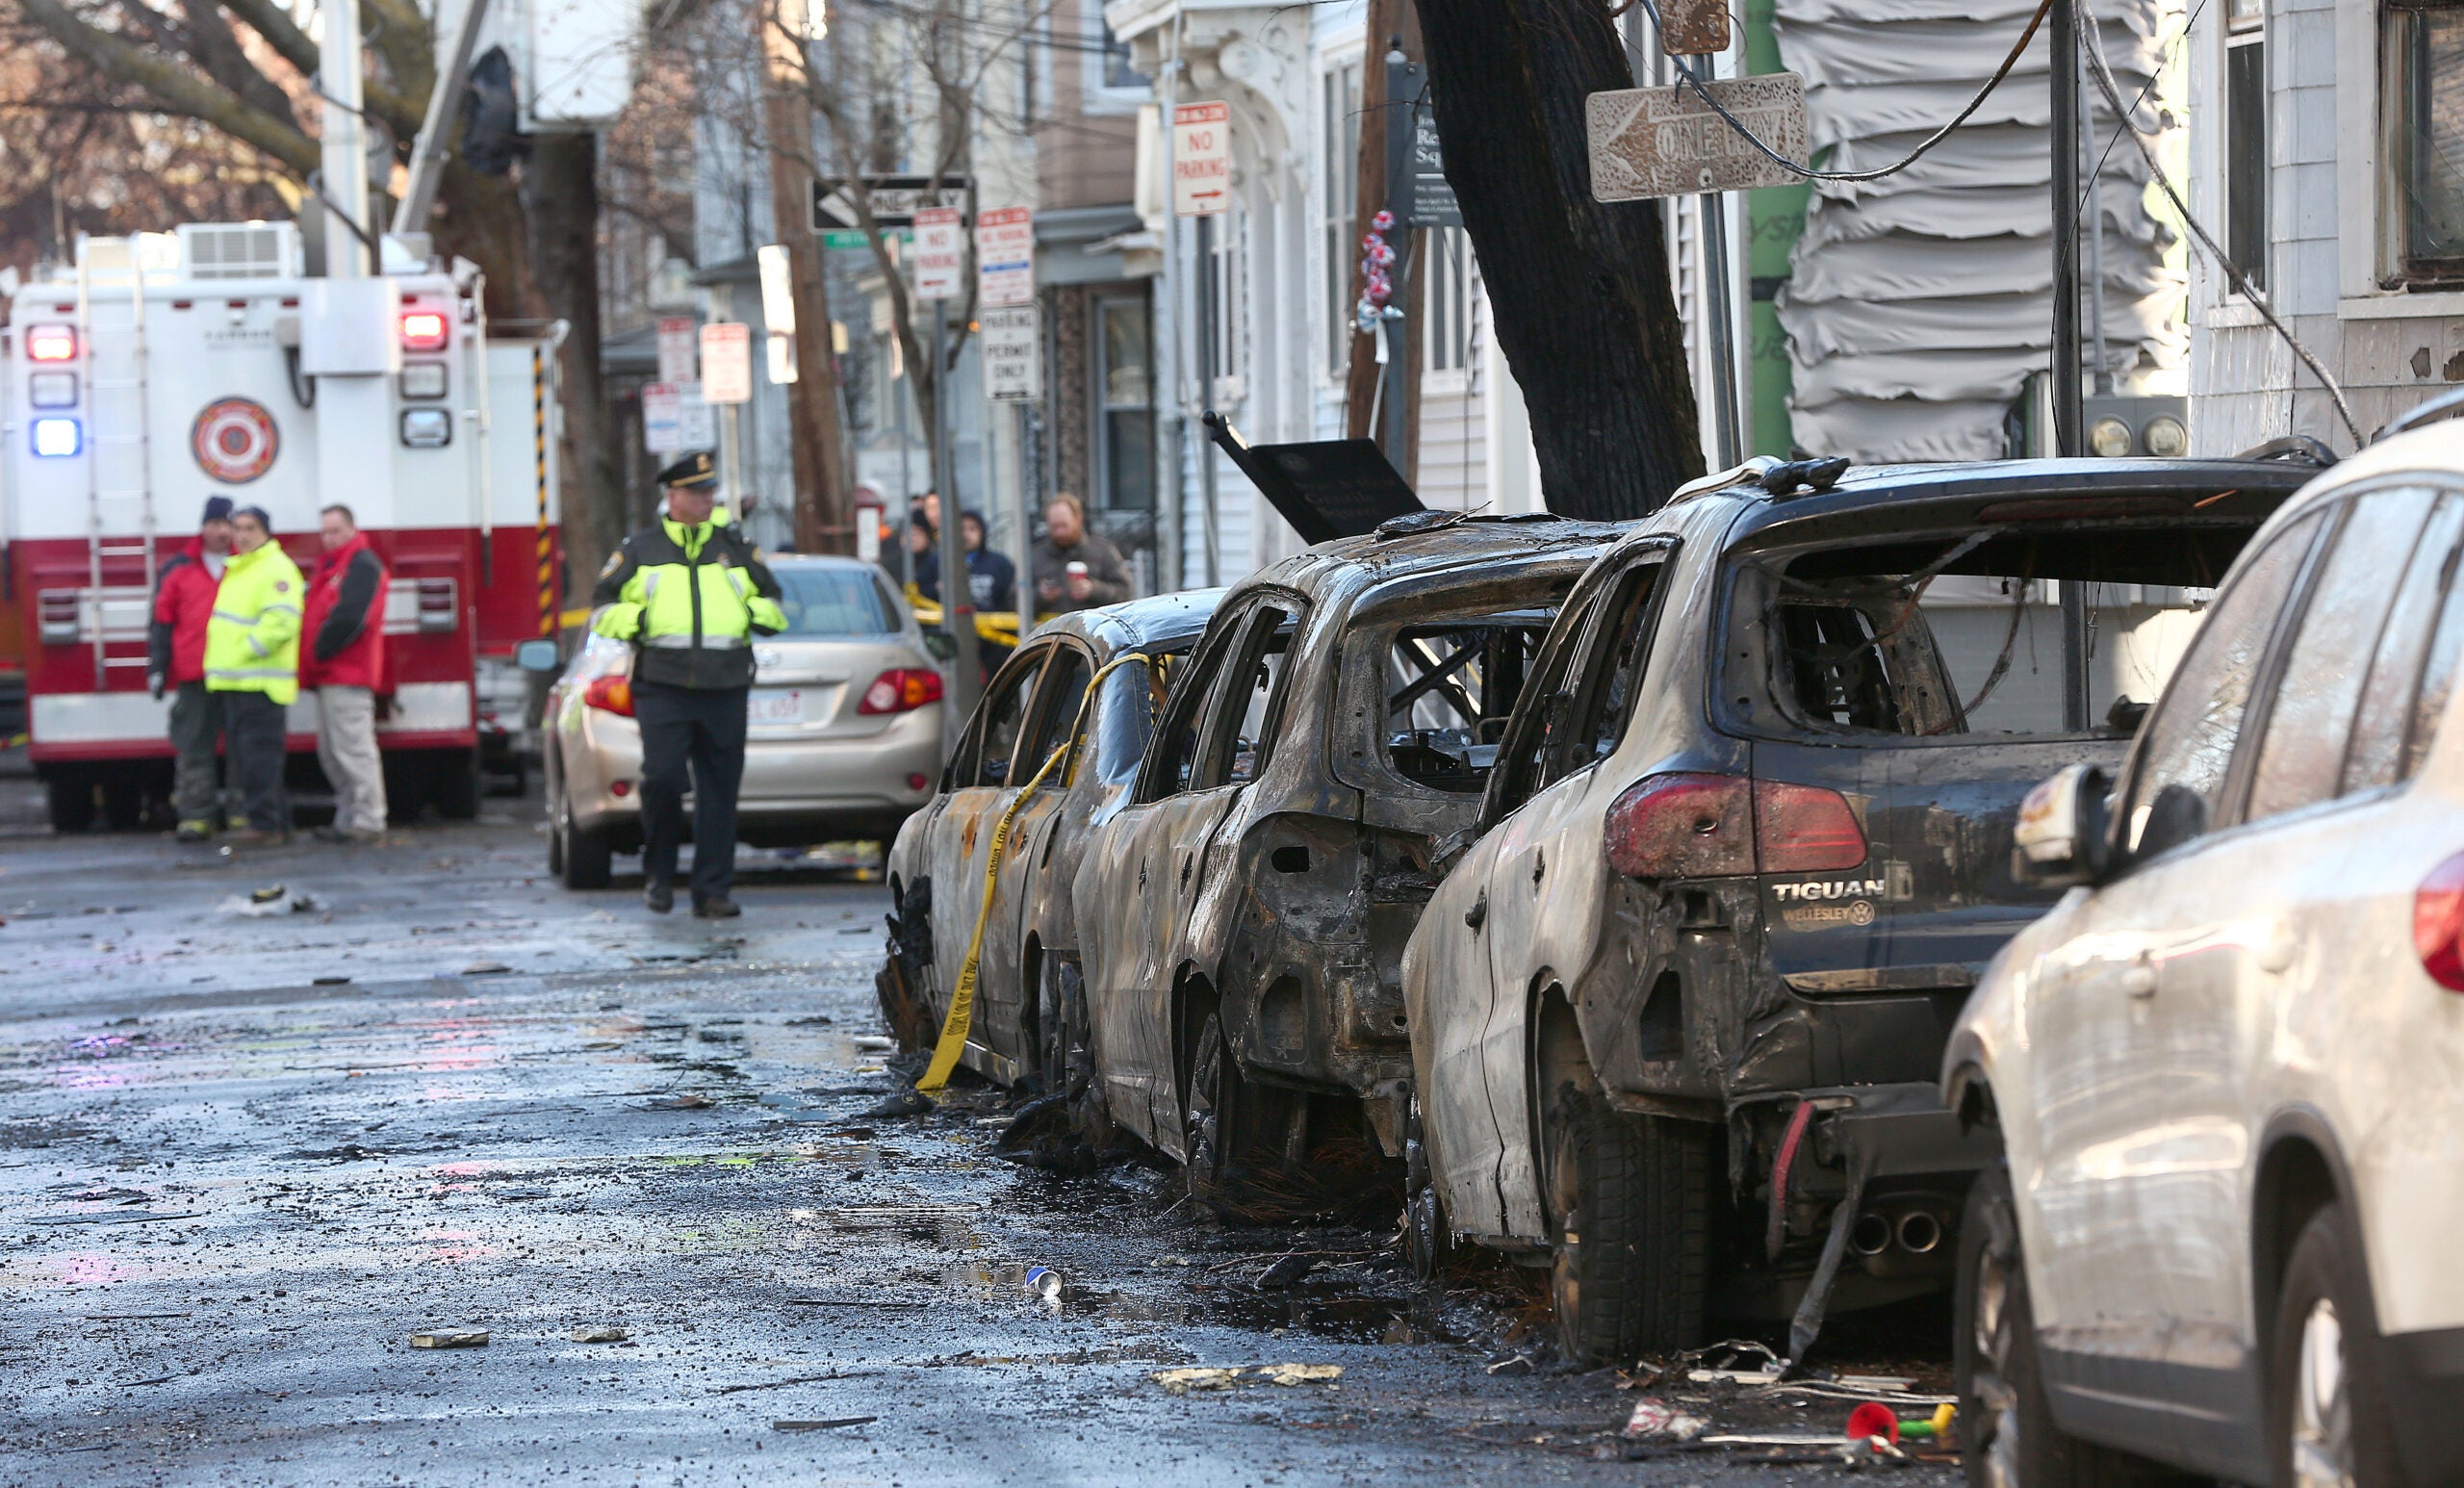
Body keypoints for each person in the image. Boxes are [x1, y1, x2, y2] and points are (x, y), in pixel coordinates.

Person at [591, 450, 786, 918]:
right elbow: (601, 610)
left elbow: (774, 605)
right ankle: (659, 873)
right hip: (663, 681)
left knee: (720, 790)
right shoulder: (641, 549)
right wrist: (641, 619)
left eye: (709, 491)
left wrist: (748, 613)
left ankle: (712, 890)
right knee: (661, 779)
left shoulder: (734, 546)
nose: (707, 499)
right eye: (697, 492)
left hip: (726, 683)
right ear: (672, 496)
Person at [204, 505, 304, 844]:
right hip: (240, 681)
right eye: (238, 528)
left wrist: (245, 650)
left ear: (266, 532)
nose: (242, 535)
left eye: (250, 528)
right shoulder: (244, 567)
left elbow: (282, 623)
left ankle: (266, 826)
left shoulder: (274, 568)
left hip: (260, 683)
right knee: (252, 759)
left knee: (259, 760)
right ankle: (277, 825)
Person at [302, 503, 390, 844]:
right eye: (324, 532)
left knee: (353, 750)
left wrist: (321, 648)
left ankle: (368, 820)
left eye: (335, 531)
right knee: (333, 752)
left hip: (347, 672)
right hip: (330, 673)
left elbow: (352, 617)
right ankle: (349, 818)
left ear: (352, 529)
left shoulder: (361, 565)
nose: (328, 538)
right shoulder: (335, 565)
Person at [149, 497, 235, 842]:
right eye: (214, 524)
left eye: (226, 524)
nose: (220, 531)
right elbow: (160, 622)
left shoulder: (247, 565)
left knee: (243, 750)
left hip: (239, 674)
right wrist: (157, 666)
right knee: (193, 747)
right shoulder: (178, 568)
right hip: (194, 673)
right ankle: (197, 816)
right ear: (203, 527)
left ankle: (243, 815)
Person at [1031, 493, 1131, 614]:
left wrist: (1094, 590)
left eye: (1064, 526)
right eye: (1054, 527)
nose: (1060, 533)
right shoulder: (1035, 555)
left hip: (1092, 630)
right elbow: (1013, 600)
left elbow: (1125, 593)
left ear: (1078, 521)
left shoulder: (1103, 551)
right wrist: (1040, 596)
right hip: (1050, 630)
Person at [913, 510, 1015, 612]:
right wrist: (936, 589)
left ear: (982, 532)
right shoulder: (935, 562)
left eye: (972, 529)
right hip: (945, 624)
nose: (966, 534)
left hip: (992, 625)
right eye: (961, 529)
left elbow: (1009, 600)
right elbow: (917, 594)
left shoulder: (1000, 564)